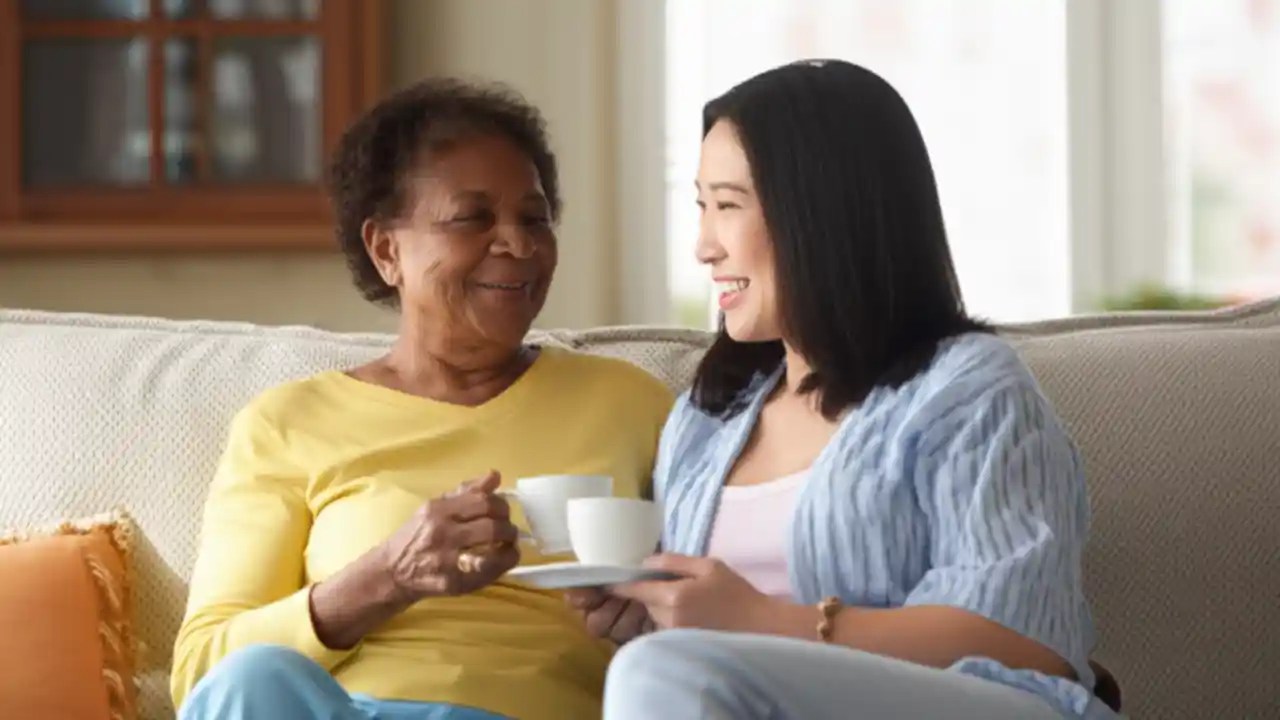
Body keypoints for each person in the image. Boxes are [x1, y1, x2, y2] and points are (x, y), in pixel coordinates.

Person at [568, 60, 1119, 719]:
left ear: (820, 216)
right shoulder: (705, 420)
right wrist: (653, 616)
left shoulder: (966, 390)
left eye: (728, 205)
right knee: (658, 666)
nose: (704, 246)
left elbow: (1027, 637)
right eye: (701, 207)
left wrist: (763, 621)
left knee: (663, 668)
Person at [172, 78, 673, 720]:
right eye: (472, 218)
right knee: (255, 678)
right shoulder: (287, 423)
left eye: (534, 218)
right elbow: (204, 676)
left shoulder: (632, 404)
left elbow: (711, 611)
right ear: (387, 250)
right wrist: (388, 575)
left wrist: (651, 622)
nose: (518, 245)